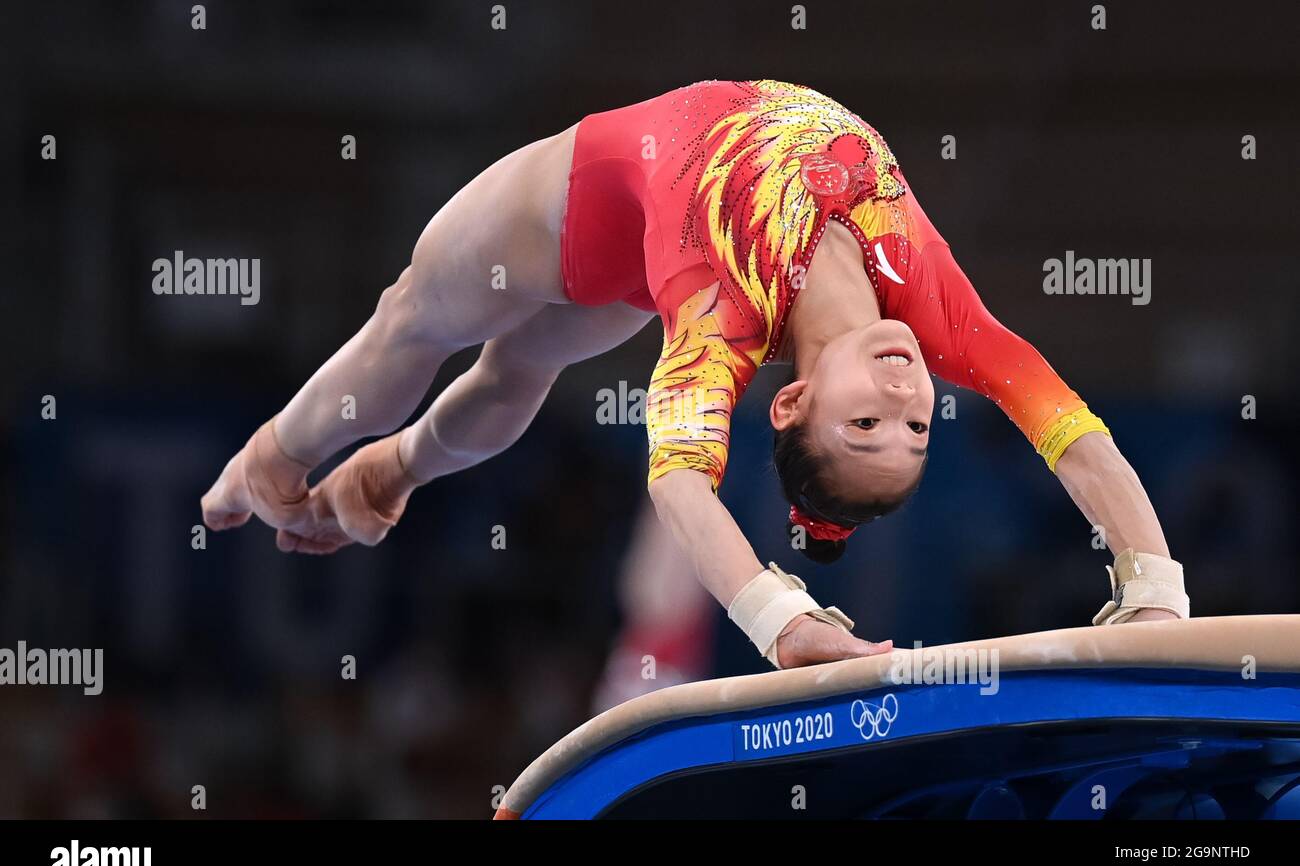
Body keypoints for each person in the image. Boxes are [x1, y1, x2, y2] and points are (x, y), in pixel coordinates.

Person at [201, 80, 1189, 671]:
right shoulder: (936, 314)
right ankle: (282, 457)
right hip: (585, 200)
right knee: (413, 326)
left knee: (513, 366)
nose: (901, 406)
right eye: (913, 431)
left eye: (865, 430)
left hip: (597, 218)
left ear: (792, 401)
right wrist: (1154, 584)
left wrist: (778, 618)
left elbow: (676, 477)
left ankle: (371, 466)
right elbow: (1074, 433)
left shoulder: (720, 306)